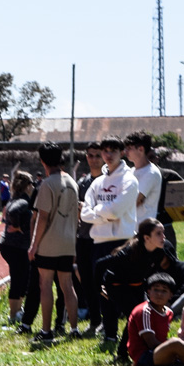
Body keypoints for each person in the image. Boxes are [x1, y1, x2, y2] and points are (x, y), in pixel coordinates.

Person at [99, 218, 184, 355]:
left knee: (143, 312)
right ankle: (123, 353)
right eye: (158, 234)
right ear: (147, 238)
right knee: (135, 313)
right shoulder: (129, 252)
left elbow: (149, 273)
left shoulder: (160, 251)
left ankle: (134, 350)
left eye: (163, 232)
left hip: (136, 285)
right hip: (116, 285)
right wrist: (99, 289)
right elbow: (99, 265)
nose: (163, 237)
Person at [80, 136, 139, 345]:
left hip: (121, 242)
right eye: (105, 150)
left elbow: (116, 211)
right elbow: (84, 214)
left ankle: (134, 333)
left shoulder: (129, 180)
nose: (108, 155)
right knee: (102, 291)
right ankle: (110, 333)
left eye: (113, 150)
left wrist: (98, 213)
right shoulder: (97, 183)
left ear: (121, 152)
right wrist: (103, 213)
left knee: (124, 290)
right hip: (99, 244)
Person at [27, 143, 79, 343]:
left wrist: (34, 245)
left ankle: (46, 331)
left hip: (50, 242)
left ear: (42, 161)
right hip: (68, 241)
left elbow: (43, 218)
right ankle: (74, 329)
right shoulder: (72, 183)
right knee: (67, 285)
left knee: (46, 284)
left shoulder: (47, 184)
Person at [74, 142, 104, 329]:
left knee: (100, 281)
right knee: (86, 281)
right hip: (83, 237)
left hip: (101, 238)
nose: (94, 159)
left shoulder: (108, 182)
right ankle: (94, 320)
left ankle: (106, 319)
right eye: (90, 156)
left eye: (97, 156)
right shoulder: (81, 183)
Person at [0, 173, 34, 328]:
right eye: (31, 184)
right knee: (18, 278)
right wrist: (18, 226)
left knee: (23, 277)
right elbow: (12, 212)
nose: (33, 187)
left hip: (14, 246)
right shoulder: (22, 201)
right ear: (27, 186)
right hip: (15, 247)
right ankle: (14, 314)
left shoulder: (17, 198)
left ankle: (18, 309)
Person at [124, 131, 163, 226]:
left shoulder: (151, 172)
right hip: (129, 228)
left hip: (143, 231)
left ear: (141, 149)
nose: (126, 152)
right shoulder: (130, 171)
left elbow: (135, 200)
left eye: (129, 148)